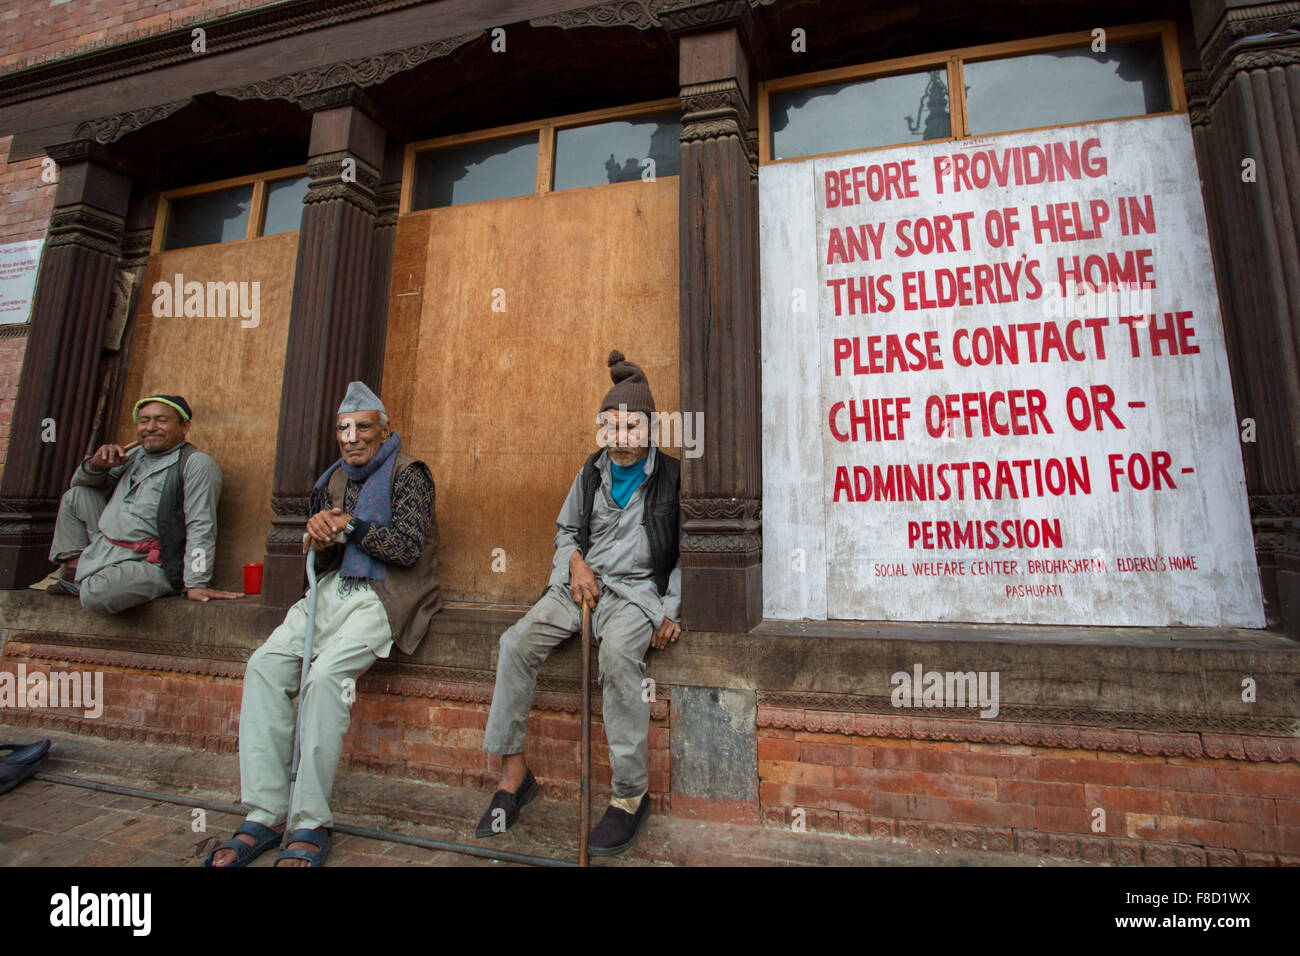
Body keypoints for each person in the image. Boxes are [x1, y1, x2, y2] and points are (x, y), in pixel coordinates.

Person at [206, 382, 441, 867]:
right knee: (264, 666)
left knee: (325, 679)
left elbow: (408, 548)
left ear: (384, 429)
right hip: (336, 588)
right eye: (343, 429)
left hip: (387, 593)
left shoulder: (411, 474)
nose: (352, 437)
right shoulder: (330, 481)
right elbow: (330, 552)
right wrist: (318, 537)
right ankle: (267, 810)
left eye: (362, 427)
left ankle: (311, 819)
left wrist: (349, 524)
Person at [478, 350, 682, 857]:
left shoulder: (674, 479)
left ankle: (631, 795)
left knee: (616, 658)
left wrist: (669, 607)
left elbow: (690, 551)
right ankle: (512, 778)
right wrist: (575, 565)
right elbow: (566, 530)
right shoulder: (591, 472)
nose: (619, 434)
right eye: (609, 425)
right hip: (580, 589)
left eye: (630, 425)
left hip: (635, 597)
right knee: (515, 643)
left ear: (649, 428)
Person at [43, 394, 239, 611]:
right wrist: (96, 466)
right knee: (75, 495)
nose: (151, 427)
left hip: (150, 561)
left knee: (96, 596)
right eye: (144, 421)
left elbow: (201, 524)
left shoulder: (196, 464)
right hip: (106, 546)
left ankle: (88, 582)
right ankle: (74, 576)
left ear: (185, 427)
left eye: (161, 420)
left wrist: (197, 581)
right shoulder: (134, 455)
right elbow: (80, 485)